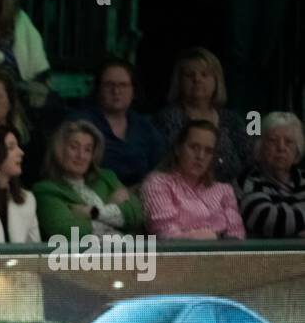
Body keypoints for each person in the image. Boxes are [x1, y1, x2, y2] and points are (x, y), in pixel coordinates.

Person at [33, 119, 144, 242]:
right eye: (74, 147)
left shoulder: (106, 177)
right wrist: (113, 213)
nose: (81, 156)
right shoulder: (46, 190)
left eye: (87, 150)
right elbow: (65, 231)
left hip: (127, 253)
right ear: (59, 149)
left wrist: (93, 213)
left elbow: (136, 214)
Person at [154, 48, 252, 185]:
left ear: (216, 80)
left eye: (205, 75)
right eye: (189, 75)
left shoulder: (232, 120)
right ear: (179, 81)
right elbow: (173, 163)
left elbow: (249, 162)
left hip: (234, 194)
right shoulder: (169, 118)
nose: (197, 79)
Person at [141, 118, 245, 240]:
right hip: (177, 258)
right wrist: (213, 236)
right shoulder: (157, 183)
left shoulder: (225, 190)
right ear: (178, 149)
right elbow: (167, 235)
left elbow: (237, 236)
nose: (200, 156)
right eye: (194, 147)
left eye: (208, 151)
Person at [69, 58, 166, 189]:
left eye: (123, 85)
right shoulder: (81, 122)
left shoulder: (145, 127)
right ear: (98, 89)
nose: (116, 91)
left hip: (140, 197)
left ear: (133, 90)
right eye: (109, 85)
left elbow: (162, 167)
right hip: (93, 196)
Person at [238, 112, 305, 239]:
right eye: (273, 140)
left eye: (289, 142)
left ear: (297, 151)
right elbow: (272, 223)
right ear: (260, 147)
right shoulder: (247, 181)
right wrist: (298, 233)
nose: (281, 147)